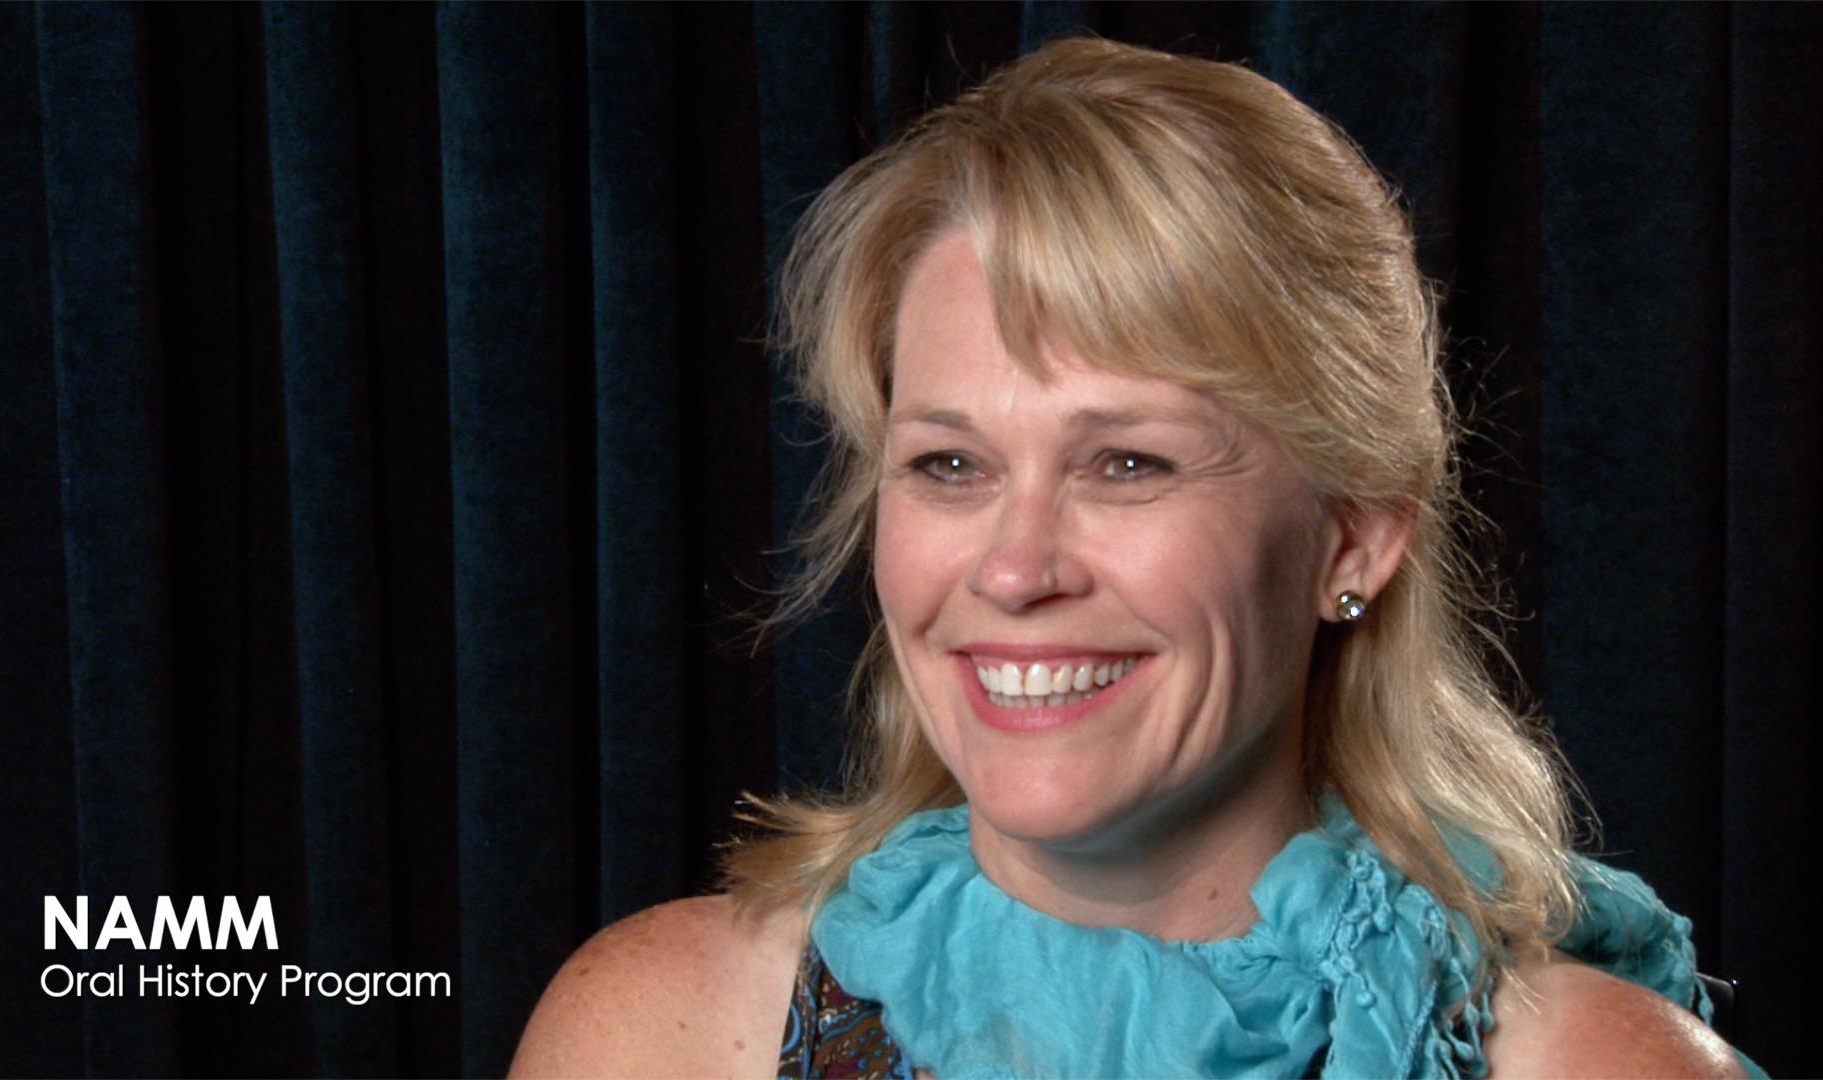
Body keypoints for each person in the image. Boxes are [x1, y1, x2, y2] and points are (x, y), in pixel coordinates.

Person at [510, 37, 1756, 1079]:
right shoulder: (656, 1036)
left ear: (1358, 532)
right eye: (952, 463)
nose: (1015, 571)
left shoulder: (1593, 1065)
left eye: (1125, 463)